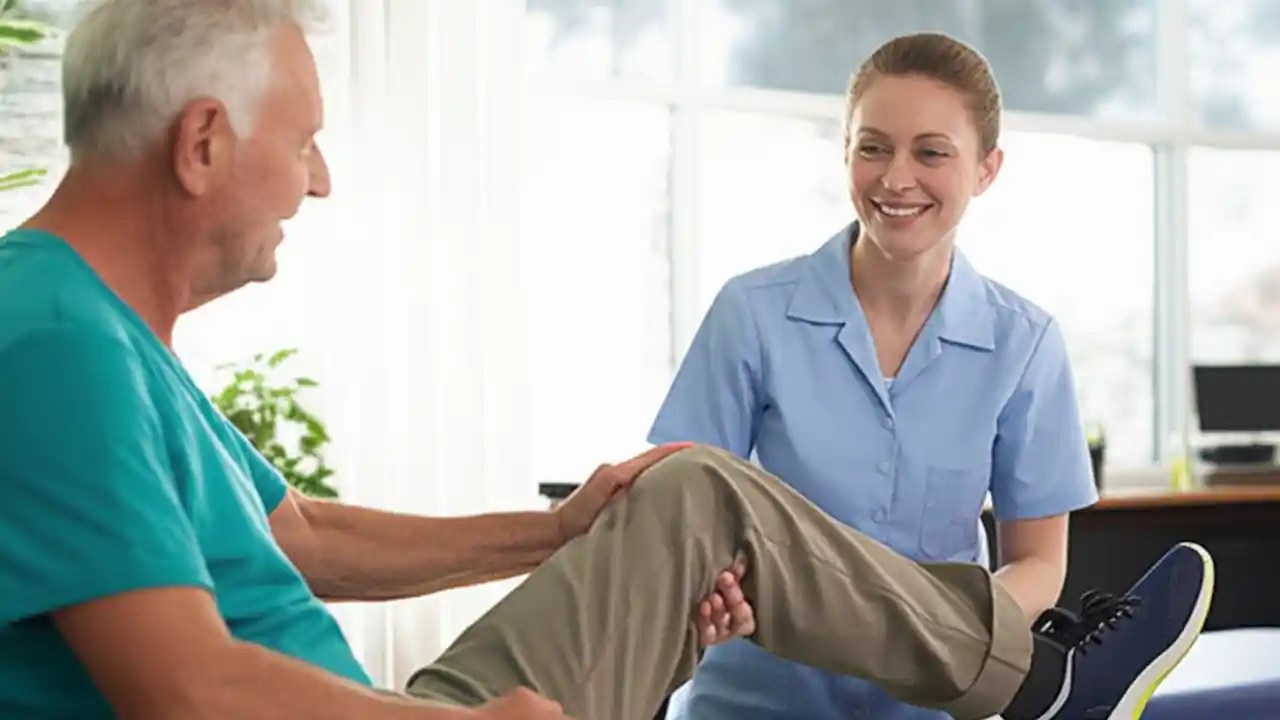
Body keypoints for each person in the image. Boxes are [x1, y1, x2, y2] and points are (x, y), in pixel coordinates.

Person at [0, 3, 1212, 719]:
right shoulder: (54, 343)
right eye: (305, 143)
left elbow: (302, 539)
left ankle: (1026, 682)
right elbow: (188, 693)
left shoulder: (106, 339)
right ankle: (1034, 688)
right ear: (203, 143)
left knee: (682, 491)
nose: (319, 180)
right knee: (698, 490)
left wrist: (558, 533)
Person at [648, 32, 1115, 720]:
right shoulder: (751, 314)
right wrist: (711, 588)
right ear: (845, 153)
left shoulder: (1024, 343)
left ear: (986, 169)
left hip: (931, 704)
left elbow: (1040, 564)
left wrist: (923, 632)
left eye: (931, 152)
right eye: (873, 147)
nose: (896, 178)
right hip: (755, 698)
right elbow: (674, 513)